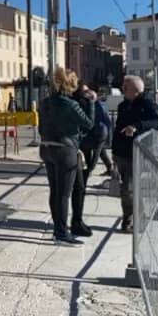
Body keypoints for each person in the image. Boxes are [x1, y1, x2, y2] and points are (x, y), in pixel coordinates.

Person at [38, 68, 95, 244]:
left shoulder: (45, 103)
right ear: (70, 84)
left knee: (55, 191)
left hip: (47, 148)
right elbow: (88, 124)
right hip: (65, 150)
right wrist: (91, 103)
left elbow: (40, 128)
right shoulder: (71, 104)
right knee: (64, 194)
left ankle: (59, 228)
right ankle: (61, 233)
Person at [112, 75, 158, 233]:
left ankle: (134, 219)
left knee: (129, 189)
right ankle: (130, 218)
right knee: (127, 189)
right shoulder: (123, 105)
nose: (123, 90)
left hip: (135, 152)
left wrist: (137, 126)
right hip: (120, 152)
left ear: (135, 90)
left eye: (125, 88)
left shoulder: (146, 103)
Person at [79, 86, 113, 182]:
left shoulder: (97, 106)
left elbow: (105, 120)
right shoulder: (98, 104)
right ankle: (110, 167)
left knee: (96, 152)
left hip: (99, 132)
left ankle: (89, 170)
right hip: (98, 131)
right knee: (100, 151)